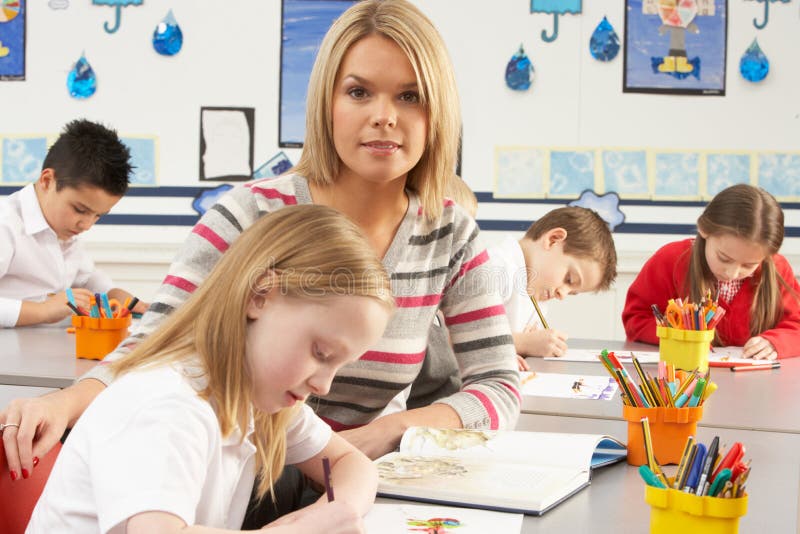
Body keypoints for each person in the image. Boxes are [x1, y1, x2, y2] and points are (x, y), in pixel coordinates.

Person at [1, 0, 520, 495]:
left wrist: (380, 435)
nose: (385, 116)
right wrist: (64, 403)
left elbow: (498, 387)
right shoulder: (249, 214)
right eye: (359, 92)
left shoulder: (452, 234)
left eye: (410, 96)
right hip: (234, 486)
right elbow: (157, 345)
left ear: (438, 111)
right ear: (326, 103)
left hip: (368, 484)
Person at [26, 205, 392, 533]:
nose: (325, 385)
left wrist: (339, 509)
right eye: (321, 352)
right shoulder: (168, 403)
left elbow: (350, 462)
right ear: (260, 295)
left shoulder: (256, 394)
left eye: (340, 365)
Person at [623, 184, 800, 360]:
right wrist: (677, 335)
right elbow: (636, 319)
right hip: (682, 377)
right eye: (724, 258)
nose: (731, 273)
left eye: (749, 265)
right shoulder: (670, 260)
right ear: (704, 229)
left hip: (759, 383)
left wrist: (776, 342)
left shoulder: (777, 269)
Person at [0, 119, 148, 327]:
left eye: (98, 215)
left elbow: (86, 277)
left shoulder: (63, 229)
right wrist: (44, 310)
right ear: (47, 181)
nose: (86, 225)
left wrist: (113, 294)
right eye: (80, 210)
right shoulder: (6, 223)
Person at [490, 206, 617, 370]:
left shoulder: (536, 294)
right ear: (553, 239)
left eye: (572, 293)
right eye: (569, 279)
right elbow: (453, 338)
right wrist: (523, 343)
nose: (562, 294)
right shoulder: (496, 267)